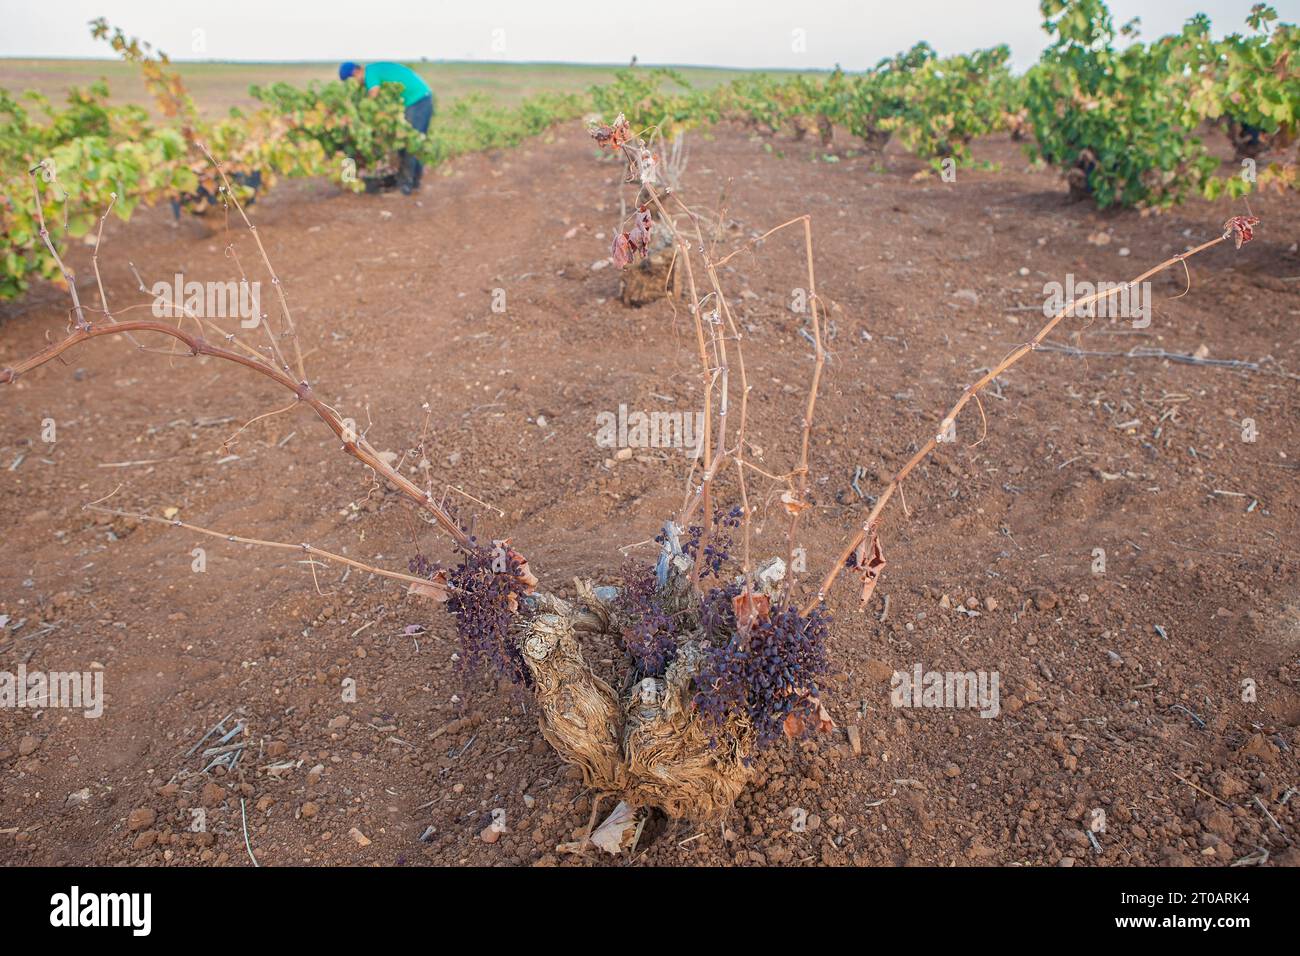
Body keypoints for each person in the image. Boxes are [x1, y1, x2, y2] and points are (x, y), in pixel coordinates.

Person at [339, 61, 434, 194]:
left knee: (411, 144)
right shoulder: (374, 71)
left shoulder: (370, 73)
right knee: (409, 143)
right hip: (419, 99)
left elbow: (373, 95)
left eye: (352, 80)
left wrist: (358, 117)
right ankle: (413, 183)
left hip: (418, 100)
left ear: (355, 72)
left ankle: (405, 187)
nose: (355, 84)